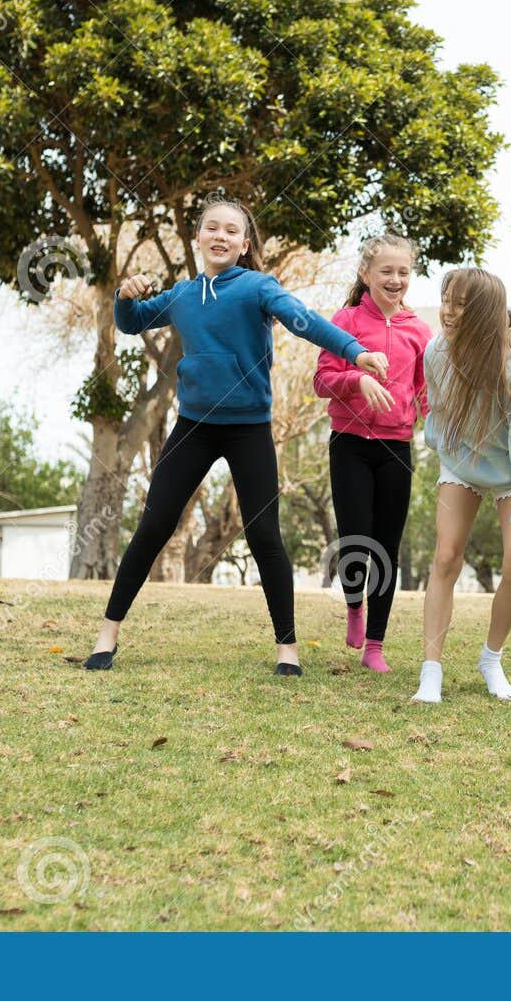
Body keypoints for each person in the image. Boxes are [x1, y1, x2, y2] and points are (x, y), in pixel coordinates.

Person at [85, 195, 388, 677]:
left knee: (264, 534)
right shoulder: (184, 295)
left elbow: (303, 320)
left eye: (231, 230)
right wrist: (125, 294)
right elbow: (132, 323)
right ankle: (107, 634)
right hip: (194, 428)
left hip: (248, 429)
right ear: (199, 237)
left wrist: (355, 352)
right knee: (153, 527)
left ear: (245, 244)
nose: (220, 236)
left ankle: (287, 648)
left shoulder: (257, 287)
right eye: (212, 228)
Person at [413, 267, 511, 703]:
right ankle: (431, 670)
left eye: (461, 305)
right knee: (445, 556)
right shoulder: (436, 352)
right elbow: (437, 411)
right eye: (446, 300)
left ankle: (491, 659)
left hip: (510, 471)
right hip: (461, 464)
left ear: (482, 313)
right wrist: (442, 444)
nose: (448, 312)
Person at [313, 234, 432, 673]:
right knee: (356, 542)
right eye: (386, 271)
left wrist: (437, 428)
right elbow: (322, 380)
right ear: (366, 274)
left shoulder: (419, 330)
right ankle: (354, 607)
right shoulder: (344, 321)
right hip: (349, 444)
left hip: (396, 446)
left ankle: (375, 646)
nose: (396, 279)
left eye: (403, 271)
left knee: (388, 546)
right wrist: (355, 380)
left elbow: (425, 393)